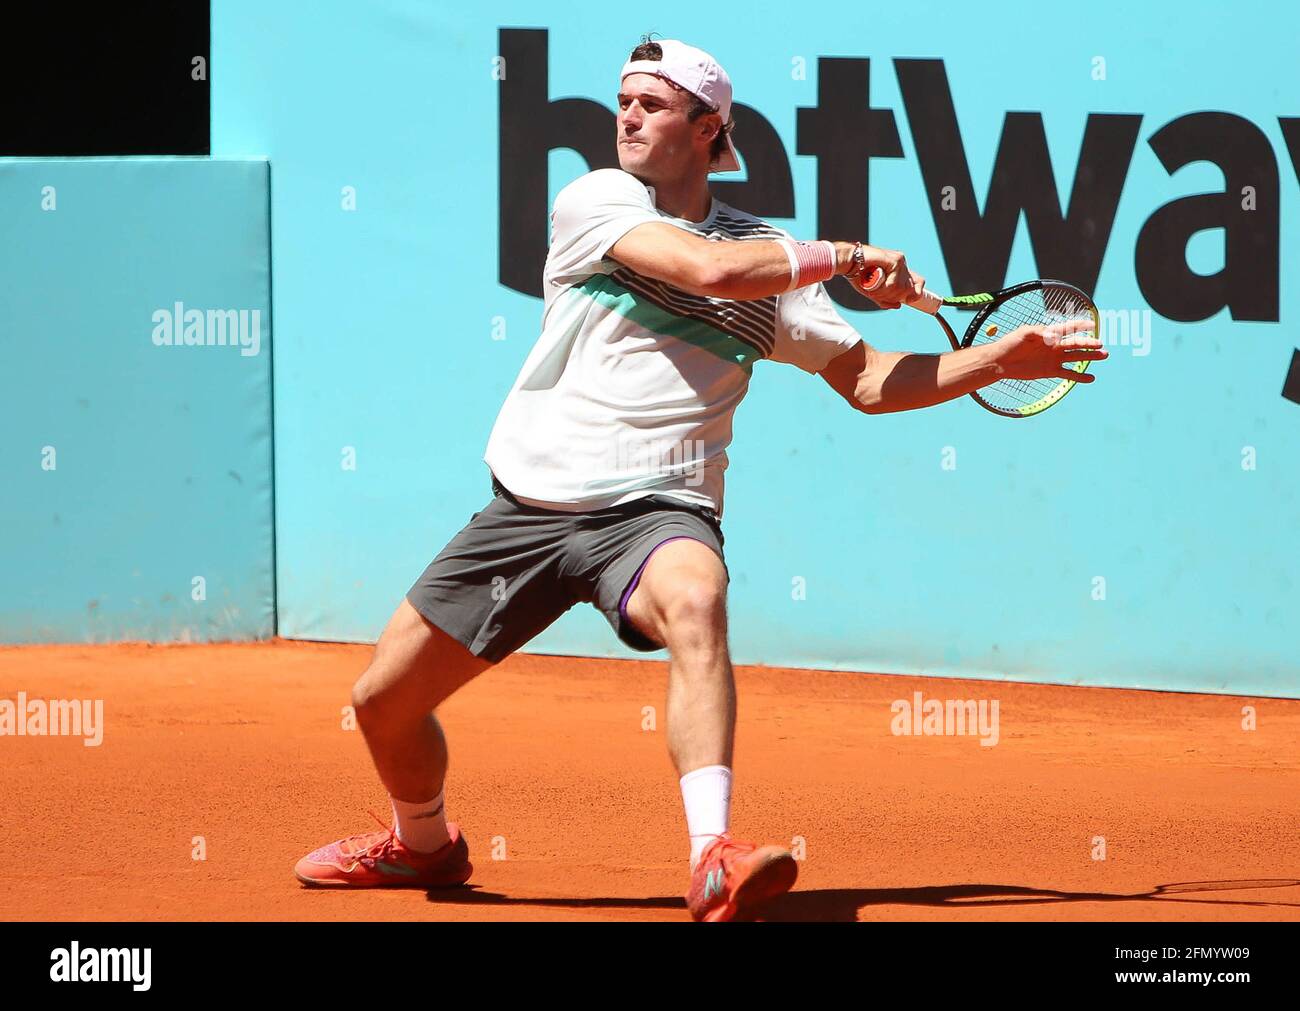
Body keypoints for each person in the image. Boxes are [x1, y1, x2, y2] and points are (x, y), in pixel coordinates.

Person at [293, 37, 1105, 922]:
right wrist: (840, 252)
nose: (628, 116)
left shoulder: (771, 257)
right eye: (623, 101)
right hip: (529, 506)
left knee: (697, 596)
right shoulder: (599, 200)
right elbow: (705, 268)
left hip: (656, 510)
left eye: (652, 103)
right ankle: (423, 846)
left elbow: (869, 380)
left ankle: (711, 853)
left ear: (708, 125)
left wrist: (998, 358)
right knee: (381, 705)